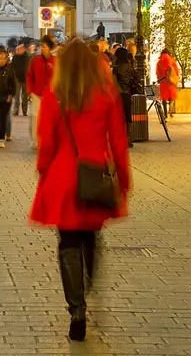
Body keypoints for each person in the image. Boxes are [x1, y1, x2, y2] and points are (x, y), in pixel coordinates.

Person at [29, 40, 131, 342]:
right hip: (95, 174)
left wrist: (43, 168)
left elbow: (46, 141)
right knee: (90, 234)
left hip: (62, 177)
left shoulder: (54, 93)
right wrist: (123, 179)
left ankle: (76, 308)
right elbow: (119, 141)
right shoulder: (106, 92)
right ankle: (86, 282)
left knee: (67, 241)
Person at [25, 36, 57, 147]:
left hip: (51, 96)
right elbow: (29, 76)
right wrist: (30, 91)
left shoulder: (56, 61)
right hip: (36, 94)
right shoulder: (35, 60)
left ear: (50, 48)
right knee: (35, 118)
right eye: (41, 46)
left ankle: (48, 141)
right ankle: (35, 141)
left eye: (44, 46)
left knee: (49, 120)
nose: (41, 48)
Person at [109, 46, 141, 145]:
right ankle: (129, 138)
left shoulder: (116, 68)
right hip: (127, 94)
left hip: (117, 95)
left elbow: (113, 82)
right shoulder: (130, 67)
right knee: (128, 116)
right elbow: (137, 78)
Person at [154, 45, 180, 121]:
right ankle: (170, 110)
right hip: (170, 82)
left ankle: (165, 114)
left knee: (164, 99)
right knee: (172, 97)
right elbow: (176, 71)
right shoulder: (172, 60)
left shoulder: (159, 62)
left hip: (163, 82)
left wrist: (159, 78)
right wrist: (175, 78)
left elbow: (157, 72)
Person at [11, 43, 32, 117]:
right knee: (16, 96)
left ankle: (24, 111)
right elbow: (12, 67)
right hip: (17, 78)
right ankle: (16, 111)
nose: (18, 51)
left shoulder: (27, 57)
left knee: (25, 96)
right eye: (17, 49)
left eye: (19, 49)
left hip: (25, 79)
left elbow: (28, 67)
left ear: (23, 49)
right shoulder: (15, 57)